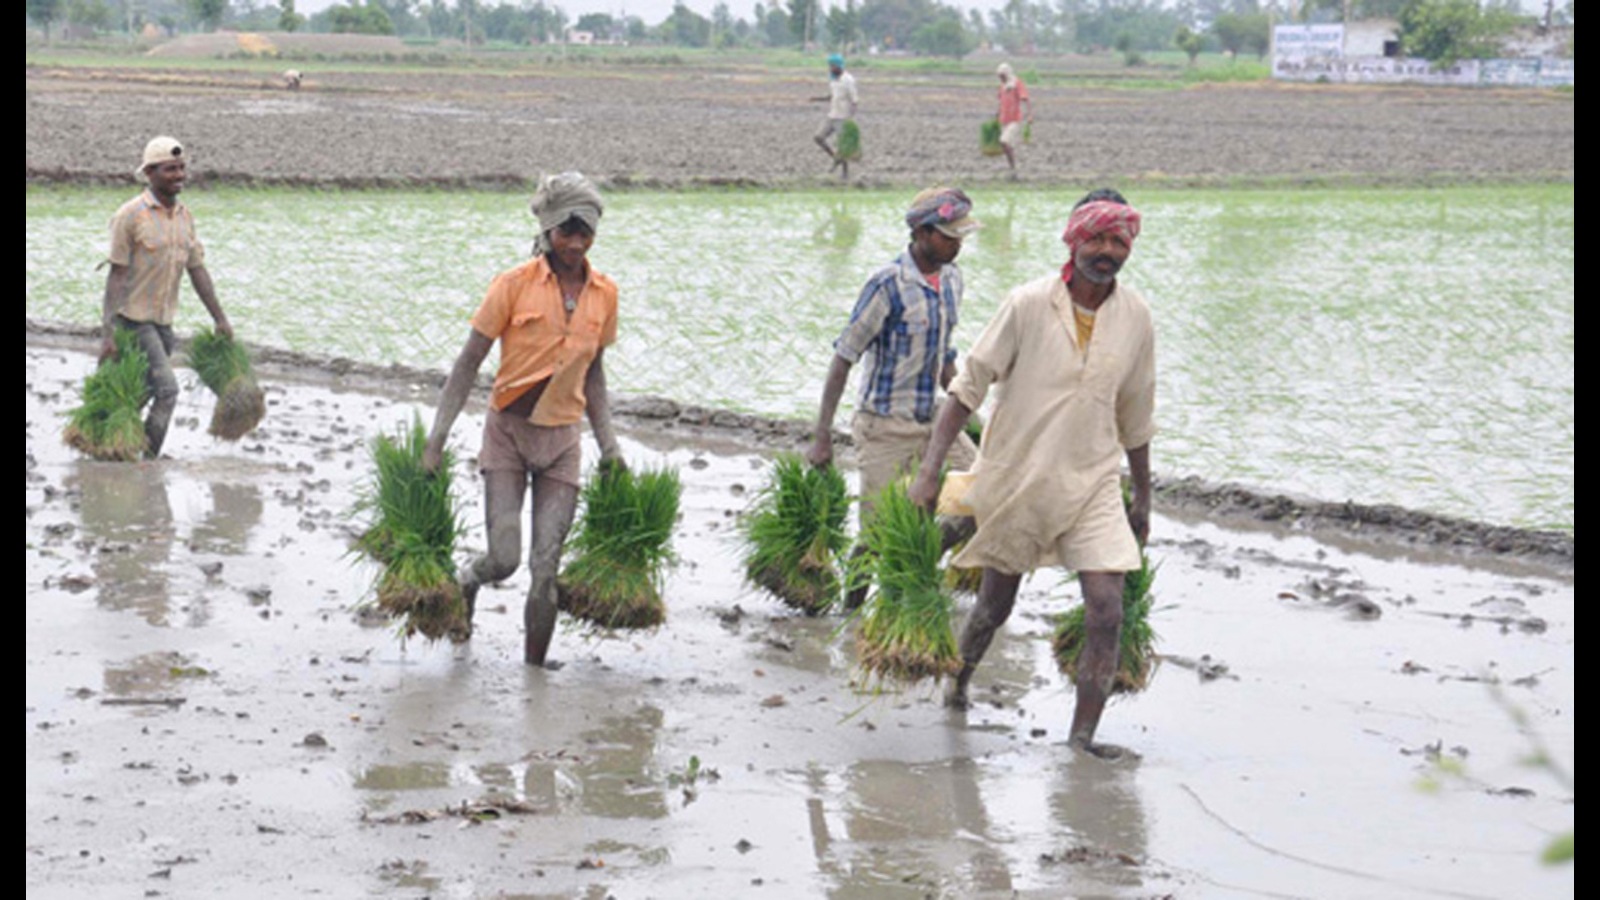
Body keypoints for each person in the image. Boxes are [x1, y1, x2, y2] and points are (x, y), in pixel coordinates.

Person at [908, 189, 1155, 759]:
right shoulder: (1027, 305)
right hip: (1019, 477)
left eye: (1118, 241)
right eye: (1096, 237)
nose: (1107, 251)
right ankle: (960, 680)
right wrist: (928, 472)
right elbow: (966, 388)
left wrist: (1142, 498)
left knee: (1106, 608)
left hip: (1093, 482)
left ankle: (1081, 739)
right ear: (1073, 238)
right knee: (995, 607)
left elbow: (1137, 414)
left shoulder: (1136, 318)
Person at [422, 171, 625, 667]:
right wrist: (436, 439)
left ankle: (534, 672)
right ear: (549, 231)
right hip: (508, 438)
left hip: (562, 442)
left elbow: (594, 374)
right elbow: (468, 362)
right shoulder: (512, 286)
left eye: (585, 233)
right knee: (505, 559)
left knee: (545, 568)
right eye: (566, 232)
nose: (576, 243)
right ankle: (469, 580)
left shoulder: (604, 293)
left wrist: (610, 445)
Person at [806, 187, 982, 607]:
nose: (956, 244)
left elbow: (945, 357)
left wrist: (971, 413)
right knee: (873, 533)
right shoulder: (886, 284)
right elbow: (844, 357)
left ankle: (916, 555)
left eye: (960, 236)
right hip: (884, 424)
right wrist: (822, 435)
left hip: (934, 420)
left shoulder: (953, 280)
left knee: (986, 492)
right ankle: (850, 617)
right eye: (947, 235)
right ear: (921, 233)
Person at [100, 135, 234, 459]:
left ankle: (110, 443)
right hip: (133, 321)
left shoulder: (185, 218)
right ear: (150, 173)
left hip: (163, 323)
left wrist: (220, 318)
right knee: (168, 391)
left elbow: (197, 270)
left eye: (181, 168)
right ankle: (148, 459)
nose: (178, 175)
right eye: (169, 169)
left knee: (142, 392)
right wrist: (107, 333)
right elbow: (116, 275)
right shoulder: (130, 216)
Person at [811, 53, 858, 179]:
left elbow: (854, 101)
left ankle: (845, 173)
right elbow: (832, 96)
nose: (830, 68)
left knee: (842, 145)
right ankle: (835, 158)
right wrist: (818, 99)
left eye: (832, 66)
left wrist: (850, 118)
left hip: (843, 117)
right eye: (829, 66)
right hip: (832, 115)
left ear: (838, 66)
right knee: (818, 138)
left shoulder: (848, 80)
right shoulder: (833, 79)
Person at [995, 63, 1032, 177]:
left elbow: (1025, 99)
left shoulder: (1017, 84)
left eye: (1002, 76)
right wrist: (996, 115)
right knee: (1006, 144)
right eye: (999, 76)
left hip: (1015, 119)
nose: (1001, 78)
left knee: (1004, 141)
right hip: (1004, 120)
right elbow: (1001, 102)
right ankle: (1014, 169)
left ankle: (1014, 167)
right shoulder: (1002, 87)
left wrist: (1029, 114)